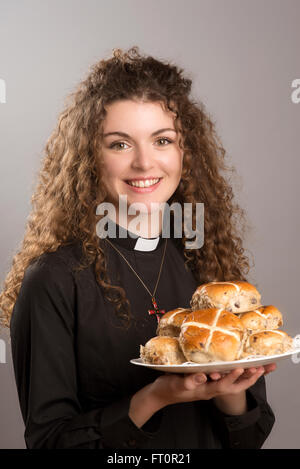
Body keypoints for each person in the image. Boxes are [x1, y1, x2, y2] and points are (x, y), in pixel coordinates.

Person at [0, 46, 276, 449]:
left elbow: (249, 437)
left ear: (186, 153)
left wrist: (231, 386)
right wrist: (156, 397)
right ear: (89, 157)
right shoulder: (54, 279)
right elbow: (49, 441)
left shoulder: (208, 264)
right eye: (120, 144)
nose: (145, 164)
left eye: (163, 140)